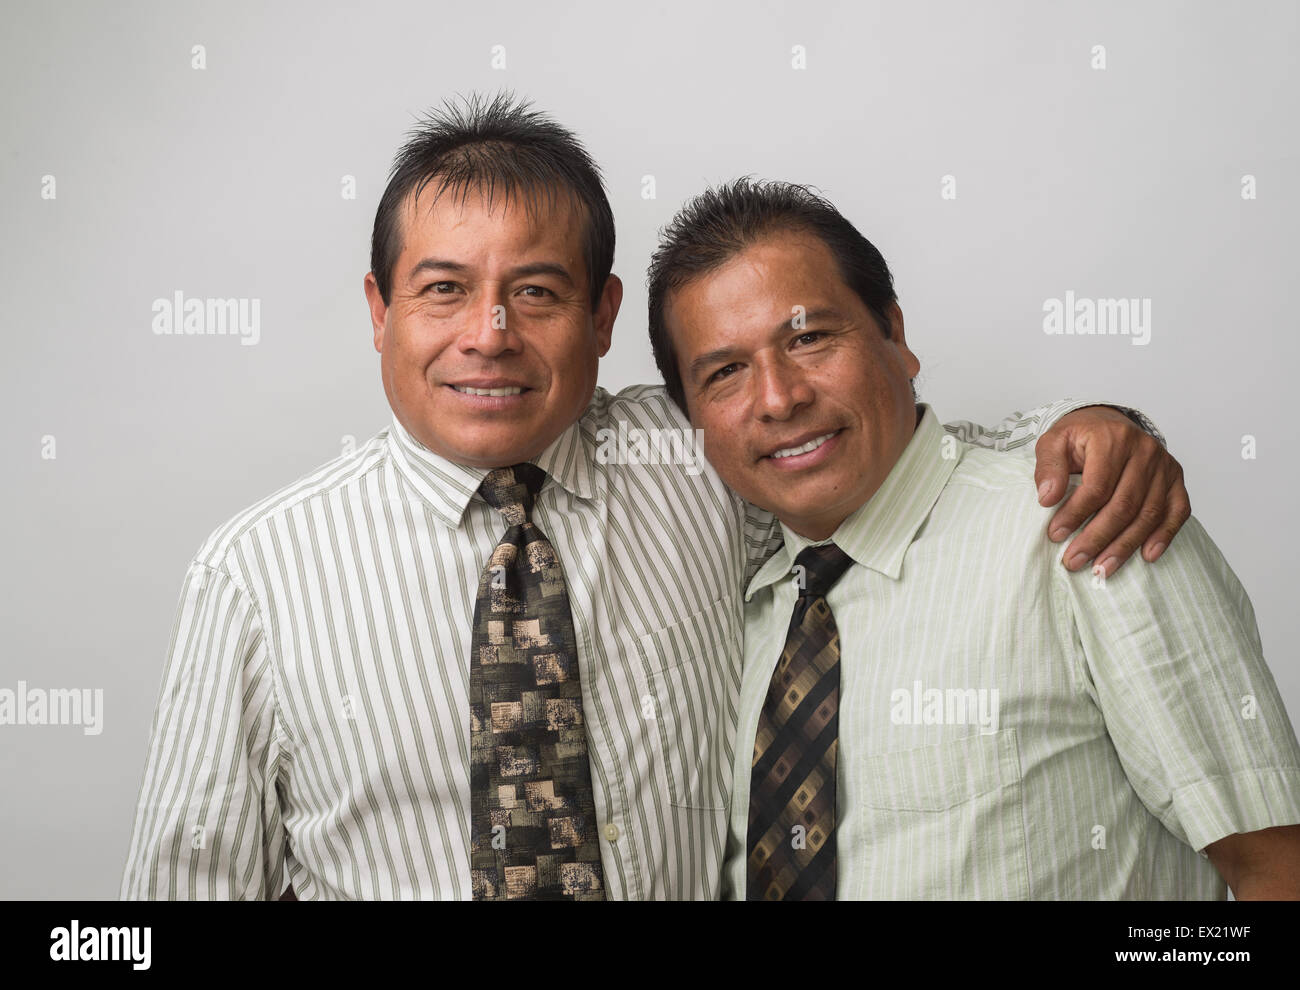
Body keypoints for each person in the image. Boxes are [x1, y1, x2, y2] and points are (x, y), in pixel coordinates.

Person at [121, 94, 1190, 901]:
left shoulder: (695, 460)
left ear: (600, 316)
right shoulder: (254, 576)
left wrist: (1093, 428)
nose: (488, 333)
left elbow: (875, 445)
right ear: (380, 309)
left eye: (534, 292)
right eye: (444, 289)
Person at [646, 177, 1300, 900]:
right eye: (726, 372)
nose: (779, 397)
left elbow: (1273, 865)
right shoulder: (725, 616)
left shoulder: (1084, 528)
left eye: (808, 338)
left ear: (896, 336)